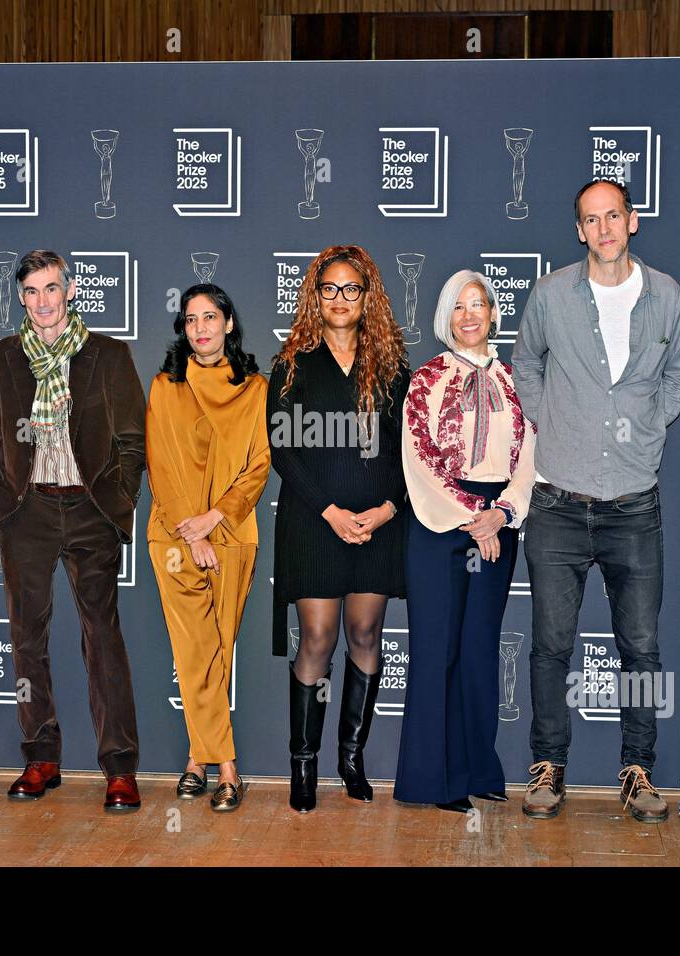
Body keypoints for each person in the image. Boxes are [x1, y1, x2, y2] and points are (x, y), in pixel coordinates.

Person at [513, 179, 680, 823]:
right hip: (558, 503)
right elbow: (525, 364)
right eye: (591, 219)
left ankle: (638, 772)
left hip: (634, 506)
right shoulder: (551, 295)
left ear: (632, 221)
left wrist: (647, 427)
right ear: (580, 231)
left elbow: (678, 377)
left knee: (641, 647)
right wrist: (550, 422)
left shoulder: (667, 296)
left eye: (614, 215)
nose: (605, 228)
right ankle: (548, 767)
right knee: (550, 645)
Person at [0, 249, 147, 812]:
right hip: (30, 512)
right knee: (26, 637)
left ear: (70, 291)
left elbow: (132, 439)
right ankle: (40, 756)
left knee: (103, 637)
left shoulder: (107, 355)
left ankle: (119, 767)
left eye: (51, 288)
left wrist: (115, 497)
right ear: (20, 297)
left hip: (91, 508)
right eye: (31, 292)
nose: (42, 301)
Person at [269, 243, 410, 813]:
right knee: (319, 638)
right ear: (315, 296)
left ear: (367, 296)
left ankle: (350, 759)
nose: (340, 298)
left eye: (352, 288)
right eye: (329, 288)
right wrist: (329, 510)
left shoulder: (396, 368)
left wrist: (388, 508)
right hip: (312, 520)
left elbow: (413, 452)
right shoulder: (292, 364)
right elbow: (283, 447)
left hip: (378, 523)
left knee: (365, 635)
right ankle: (303, 766)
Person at [395, 270, 536, 813]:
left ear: (495, 313)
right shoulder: (426, 378)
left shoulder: (515, 379)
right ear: (445, 318)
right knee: (439, 651)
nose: (471, 314)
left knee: (479, 648)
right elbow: (420, 458)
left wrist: (501, 513)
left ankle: (478, 768)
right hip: (439, 526)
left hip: (497, 526)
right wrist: (474, 516)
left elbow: (529, 455)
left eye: (480, 304)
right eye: (459, 306)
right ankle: (436, 780)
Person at [146, 283, 270, 813]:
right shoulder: (164, 386)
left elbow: (259, 464)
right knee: (194, 652)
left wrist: (215, 518)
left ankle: (197, 759)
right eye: (191, 319)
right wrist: (189, 530)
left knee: (217, 646)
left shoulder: (256, 388)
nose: (200, 327)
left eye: (210, 317)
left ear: (229, 323)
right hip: (173, 539)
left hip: (233, 535)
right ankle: (227, 769)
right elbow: (160, 467)